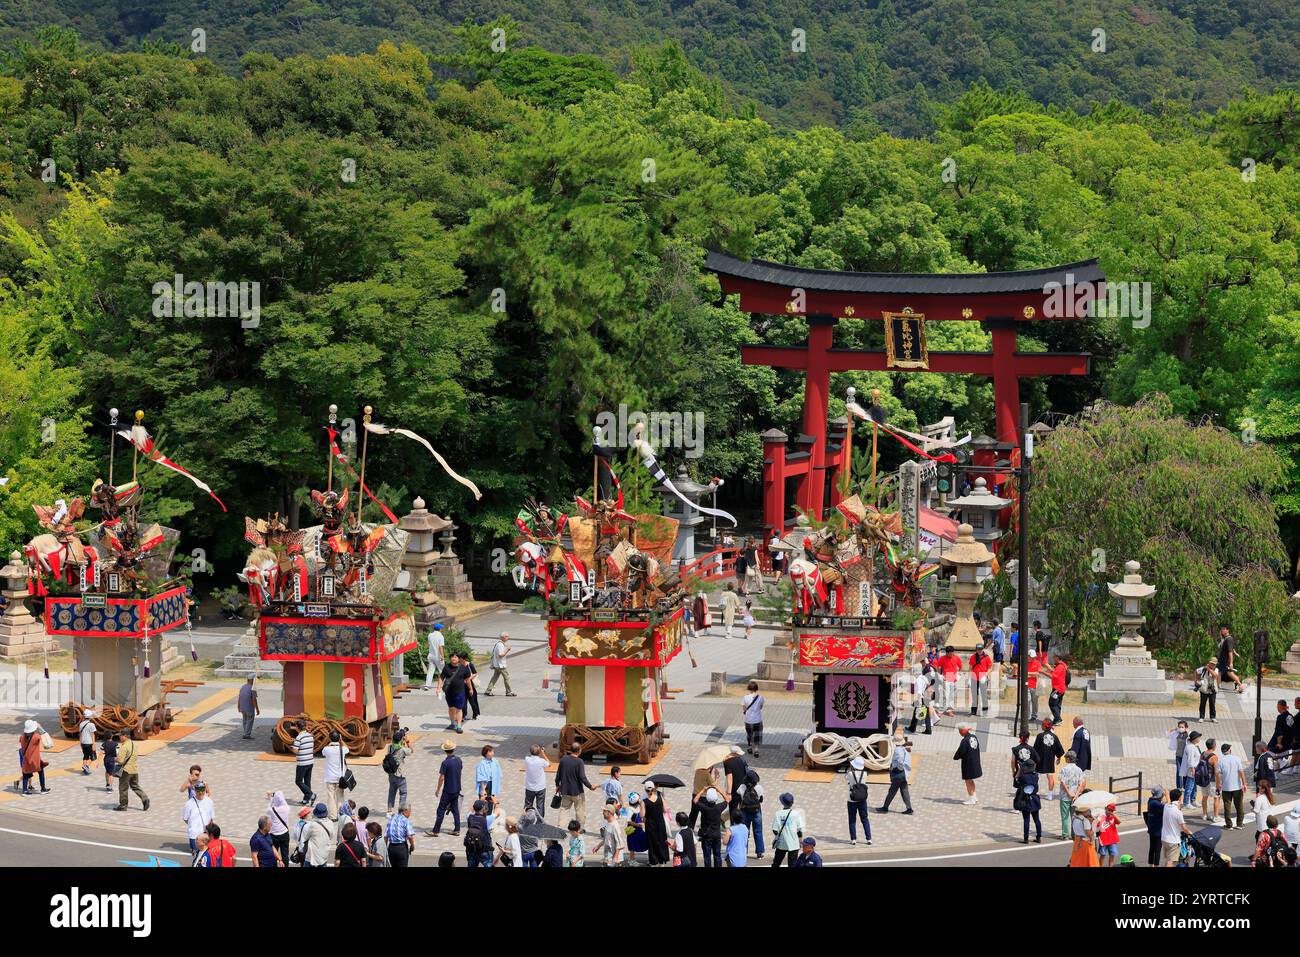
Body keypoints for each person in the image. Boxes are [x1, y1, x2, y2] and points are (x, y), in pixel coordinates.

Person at [556, 741, 598, 831]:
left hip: (565, 790)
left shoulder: (563, 759)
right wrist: (590, 786)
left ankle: (560, 826)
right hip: (577, 792)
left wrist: (557, 785)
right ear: (579, 750)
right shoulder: (579, 762)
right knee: (580, 810)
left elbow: (558, 774)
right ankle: (580, 829)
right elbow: (582, 777)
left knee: (564, 808)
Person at [431, 739, 463, 836]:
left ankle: (436, 830)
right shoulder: (459, 760)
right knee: (455, 809)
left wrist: (437, 790)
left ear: (445, 751)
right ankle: (457, 829)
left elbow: (442, 778)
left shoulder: (445, 763)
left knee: (441, 809)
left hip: (448, 790)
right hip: (457, 788)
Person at [114, 731, 149, 812]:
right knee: (135, 786)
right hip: (134, 769)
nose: (119, 737)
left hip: (126, 770)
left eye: (121, 736)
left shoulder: (124, 747)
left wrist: (115, 759)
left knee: (123, 788)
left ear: (125, 736)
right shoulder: (134, 744)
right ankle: (145, 798)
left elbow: (120, 760)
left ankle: (123, 805)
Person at [693, 785, 727, 867]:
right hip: (716, 835)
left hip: (706, 835)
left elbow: (695, 800)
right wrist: (719, 790)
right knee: (717, 855)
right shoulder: (719, 807)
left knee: (707, 856)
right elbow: (727, 799)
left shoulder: (704, 807)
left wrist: (703, 790)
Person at [878, 738, 914, 813]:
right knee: (904, 791)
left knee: (892, 791)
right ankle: (909, 808)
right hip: (904, 774)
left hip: (899, 773)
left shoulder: (898, 750)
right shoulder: (903, 749)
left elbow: (900, 761)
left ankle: (885, 807)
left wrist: (898, 768)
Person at [1216, 741, 1246, 830]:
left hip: (1226, 787)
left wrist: (1218, 786)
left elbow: (1217, 775)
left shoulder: (1220, 761)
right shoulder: (1237, 759)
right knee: (1239, 805)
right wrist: (1244, 784)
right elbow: (1241, 771)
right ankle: (1240, 824)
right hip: (1237, 786)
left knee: (1227, 806)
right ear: (1229, 750)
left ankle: (1229, 825)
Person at [770, 793, 805, 866]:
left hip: (782, 843)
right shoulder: (796, 814)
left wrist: (777, 836)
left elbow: (775, 830)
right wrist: (800, 840)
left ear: (782, 802)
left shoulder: (778, 814)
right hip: (794, 843)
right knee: (792, 864)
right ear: (792, 803)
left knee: (776, 863)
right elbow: (799, 830)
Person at [440, 651, 471, 733]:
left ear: (459, 659)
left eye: (455, 657)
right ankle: (452, 723)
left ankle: (459, 726)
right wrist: (438, 688)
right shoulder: (447, 667)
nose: (453, 658)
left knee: (459, 709)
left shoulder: (464, 668)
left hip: (460, 692)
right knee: (451, 708)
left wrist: (470, 689)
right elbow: (441, 677)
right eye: (452, 657)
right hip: (449, 692)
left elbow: (468, 680)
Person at [642, 780, 672, 866]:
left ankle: (654, 861)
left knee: (652, 843)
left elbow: (642, 814)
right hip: (660, 823)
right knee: (662, 841)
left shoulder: (644, 801)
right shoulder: (659, 796)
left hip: (650, 825)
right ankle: (662, 860)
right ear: (654, 788)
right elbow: (665, 810)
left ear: (645, 789)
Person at [321, 730, 349, 820]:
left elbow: (323, 752)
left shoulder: (326, 749)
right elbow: (347, 748)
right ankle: (341, 814)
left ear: (330, 738)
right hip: (340, 777)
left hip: (330, 777)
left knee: (331, 797)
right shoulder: (343, 749)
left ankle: (333, 816)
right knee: (340, 797)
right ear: (339, 738)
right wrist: (342, 741)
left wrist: (329, 743)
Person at [844, 756, 872, 845]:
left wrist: (850, 766)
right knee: (865, 819)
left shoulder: (850, 773)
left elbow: (846, 779)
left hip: (852, 800)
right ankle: (869, 838)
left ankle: (853, 839)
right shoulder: (865, 774)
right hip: (862, 799)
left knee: (852, 819)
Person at [1033, 720, 1065, 797]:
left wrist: (1033, 760)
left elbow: (1035, 749)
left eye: (1042, 725)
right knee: (1050, 777)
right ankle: (1050, 795)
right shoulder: (1054, 737)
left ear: (1044, 726)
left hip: (1039, 759)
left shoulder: (1039, 736)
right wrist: (1059, 758)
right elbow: (1059, 749)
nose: (1041, 726)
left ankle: (1035, 792)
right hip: (1050, 759)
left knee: (1036, 776)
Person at [1057, 750, 1085, 839]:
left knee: (1065, 816)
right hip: (1075, 797)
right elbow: (1081, 784)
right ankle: (1074, 834)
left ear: (1068, 759)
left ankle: (1065, 834)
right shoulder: (1079, 770)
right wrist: (1076, 794)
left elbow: (1063, 783)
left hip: (1065, 797)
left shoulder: (1064, 769)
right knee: (1074, 816)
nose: (1065, 759)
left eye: (1066, 757)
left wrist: (1069, 793)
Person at [1014, 758, 1042, 844]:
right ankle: (1038, 837)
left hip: (1025, 799)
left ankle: (1026, 838)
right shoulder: (1036, 775)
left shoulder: (1023, 776)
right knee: (1037, 819)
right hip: (1034, 798)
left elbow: (1016, 784)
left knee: (1026, 819)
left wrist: (1019, 771)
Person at [182, 781, 215, 856]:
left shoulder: (209, 801)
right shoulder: (189, 803)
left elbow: (211, 818)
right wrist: (192, 825)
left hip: (206, 834)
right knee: (196, 854)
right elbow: (185, 818)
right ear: (195, 790)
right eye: (198, 790)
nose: (200, 792)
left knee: (207, 855)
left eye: (202, 789)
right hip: (194, 835)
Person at [1161, 788, 1191, 867]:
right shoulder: (1178, 813)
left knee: (1168, 860)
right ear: (1180, 798)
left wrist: (1167, 794)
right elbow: (1184, 827)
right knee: (1172, 862)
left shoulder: (1166, 807)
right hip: (1173, 841)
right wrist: (1190, 833)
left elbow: (1168, 801)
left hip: (1164, 839)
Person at [953, 724, 982, 806]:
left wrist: (956, 757)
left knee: (968, 781)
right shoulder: (974, 737)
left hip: (968, 764)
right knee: (971, 780)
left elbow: (960, 752)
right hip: (975, 761)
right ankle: (974, 796)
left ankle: (972, 798)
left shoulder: (965, 741)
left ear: (961, 731)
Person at [384, 728, 412, 813]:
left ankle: (389, 810)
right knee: (403, 793)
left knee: (392, 791)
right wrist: (407, 741)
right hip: (400, 775)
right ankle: (400, 811)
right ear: (401, 739)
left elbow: (395, 746)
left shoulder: (389, 747)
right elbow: (411, 751)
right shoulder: (402, 749)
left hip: (391, 774)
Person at [18, 720, 48, 795]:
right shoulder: (36, 736)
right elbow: (44, 734)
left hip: (26, 759)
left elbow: (20, 740)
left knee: (25, 774)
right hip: (35, 760)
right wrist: (39, 727)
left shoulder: (22, 737)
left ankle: (25, 790)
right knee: (41, 772)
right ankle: (43, 789)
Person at [464, 799, 494, 867]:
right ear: (483, 808)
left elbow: (471, 809)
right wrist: (496, 803)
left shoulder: (469, 817)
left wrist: (478, 802)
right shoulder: (487, 819)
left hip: (472, 847)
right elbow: (497, 812)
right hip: (485, 849)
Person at [1197, 737, 1221, 824]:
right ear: (1214, 746)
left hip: (1203, 780)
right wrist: (1219, 783)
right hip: (1212, 781)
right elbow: (1217, 772)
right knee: (1216, 797)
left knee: (1204, 797)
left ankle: (1204, 814)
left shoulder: (1202, 754)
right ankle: (1216, 816)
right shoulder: (1214, 757)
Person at [265, 790, 293, 864]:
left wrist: (271, 798)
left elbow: (268, 808)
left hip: (274, 835)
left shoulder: (272, 810)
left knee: (273, 854)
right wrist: (275, 795)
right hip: (284, 834)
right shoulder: (287, 808)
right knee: (285, 855)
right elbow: (283, 801)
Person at [292, 720, 315, 805]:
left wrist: (293, 745)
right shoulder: (310, 736)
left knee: (298, 781)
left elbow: (295, 751)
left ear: (297, 728)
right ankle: (306, 799)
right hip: (310, 761)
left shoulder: (299, 737)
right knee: (307, 781)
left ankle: (311, 794)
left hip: (302, 763)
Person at [723, 745, 749, 820]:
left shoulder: (727, 762)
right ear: (734, 753)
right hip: (743, 788)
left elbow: (729, 778)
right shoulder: (741, 760)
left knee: (733, 810)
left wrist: (729, 793)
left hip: (734, 790)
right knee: (743, 809)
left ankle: (734, 826)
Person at [484, 631, 515, 696]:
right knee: (506, 677)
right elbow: (501, 655)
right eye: (507, 636)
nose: (508, 638)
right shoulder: (500, 645)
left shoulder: (498, 643)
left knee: (495, 677)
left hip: (497, 664)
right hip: (500, 665)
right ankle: (508, 692)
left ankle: (488, 690)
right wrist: (508, 649)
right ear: (503, 637)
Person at [1178, 730, 1203, 807]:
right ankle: (1186, 803)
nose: (1199, 739)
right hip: (1192, 769)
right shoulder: (1191, 747)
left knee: (1191, 785)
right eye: (1198, 737)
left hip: (1193, 769)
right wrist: (1193, 769)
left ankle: (1190, 801)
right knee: (1190, 785)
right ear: (1195, 738)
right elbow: (1190, 759)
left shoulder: (1191, 746)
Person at [740, 681, 765, 757]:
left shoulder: (745, 697)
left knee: (749, 734)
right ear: (756, 688)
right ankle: (756, 750)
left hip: (748, 720)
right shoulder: (761, 698)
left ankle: (750, 747)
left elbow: (744, 708)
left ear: (749, 688)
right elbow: (760, 707)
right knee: (757, 735)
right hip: (757, 719)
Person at [523, 744, 549, 817]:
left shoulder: (527, 759)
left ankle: (526, 820)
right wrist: (543, 753)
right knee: (540, 806)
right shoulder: (541, 761)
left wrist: (537, 751)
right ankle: (540, 822)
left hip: (529, 787)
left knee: (528, 805)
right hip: (540, 787)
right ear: (539, 752)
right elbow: (548, 763)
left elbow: (529, 754)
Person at [1216, 625, 1243, 693]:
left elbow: (1230, 651)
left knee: (1230, 673)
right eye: (1222, 629)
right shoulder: (1225, 639)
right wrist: (1235, 652)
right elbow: (1230, 648)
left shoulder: (1229, 639)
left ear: (1228, 630)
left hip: (1225, 661)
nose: (1222, 630)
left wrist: (1231, 663)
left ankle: (1240, 685)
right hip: (1222, 660)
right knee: (1219, 672)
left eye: (1224, 629)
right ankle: (1217, 686)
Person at [1144, 787, 1166, 867]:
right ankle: (1156, 865)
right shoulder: (1157, 804)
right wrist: (1167, 796)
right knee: (1157, 849)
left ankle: (1151, 865)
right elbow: (1167, 807)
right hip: (1157, 830)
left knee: (1152, 848)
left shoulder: (1150, 800)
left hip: (1152, 828)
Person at [936, 645, 961, 715]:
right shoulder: (942, 658)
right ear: (946, 653)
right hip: (946, 677)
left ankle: (950, 710)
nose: (952, 654)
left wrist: (957, 674)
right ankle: (941, 710)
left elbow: (960, 666)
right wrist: (940, 675)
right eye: (950, 653)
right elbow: (938, 666)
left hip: (953, 677)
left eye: (952, 653)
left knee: (952, 695)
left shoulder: (956, 658)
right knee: (945, 695)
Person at [968, 645, 992, 715]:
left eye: (980, 649)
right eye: (978, 649)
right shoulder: (973, 657)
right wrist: (970, 678)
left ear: (983, 649)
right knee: (974, 695)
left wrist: (986, 674)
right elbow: (970, 668)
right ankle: (973, 710)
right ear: (976, 649)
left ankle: (985, 710)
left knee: (984, 695)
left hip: (983, 677)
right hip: (974, 678)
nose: (979, 651)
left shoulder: (986, 657)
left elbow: (990, 667)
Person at [422, 622, 446, 691]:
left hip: (431, 656)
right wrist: (442, 656)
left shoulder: (430, 635)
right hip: (438, 656)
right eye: (442, 628)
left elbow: (428, 644)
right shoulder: (440, 636)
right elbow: (440, 647)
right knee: (442, 671)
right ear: (440, 629)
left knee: (430, 671)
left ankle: (427, 685)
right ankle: (446, 684)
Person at [625, 792, 648, 862]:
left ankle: (651, 857)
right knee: (632, 846)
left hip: (639, 830)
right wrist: (638, 825)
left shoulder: (638, 807)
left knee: (645, 842)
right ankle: (632, 860)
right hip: (633, 831)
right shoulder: (630, 810)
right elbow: (628, 821)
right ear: (637, 801)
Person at [1048, 657, 1068, 725]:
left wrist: (1042, 672)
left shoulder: (1060, 666)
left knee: (1052, 704)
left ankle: (1058, 719)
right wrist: (1051, 669)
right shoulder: (1063, 665)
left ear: (1058, 658)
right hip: (1061, 688)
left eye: (1054, 658)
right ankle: (1056, 719)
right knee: (1057, 704)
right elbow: (1056, 673)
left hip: (1057, 689)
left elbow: (1053, 676)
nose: (1053, 659)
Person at [77, 709, 97, 776]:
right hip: (89, 743)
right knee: (93, 757)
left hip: (83, 743)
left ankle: (85, 768)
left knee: (85, 756)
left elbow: (80, 734)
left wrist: (80, 743)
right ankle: (86, 766)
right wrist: (94, 744)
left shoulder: (81, 724)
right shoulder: (91, 724)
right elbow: (92, 735)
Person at [1026, 648, 1042, 722]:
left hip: (1035, 686)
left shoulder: (1037, 663)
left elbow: (1038, 674)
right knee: (1027, 701)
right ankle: (1027, 715)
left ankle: (1034, 715)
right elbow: (1022, 673)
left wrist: (1029, 673)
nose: (1033, 658)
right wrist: (1033, 674)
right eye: (1031, 657)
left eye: (1033, 657)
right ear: (1028, 656)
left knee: (1035, 701)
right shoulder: (1025, 663)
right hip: (1027, 686)